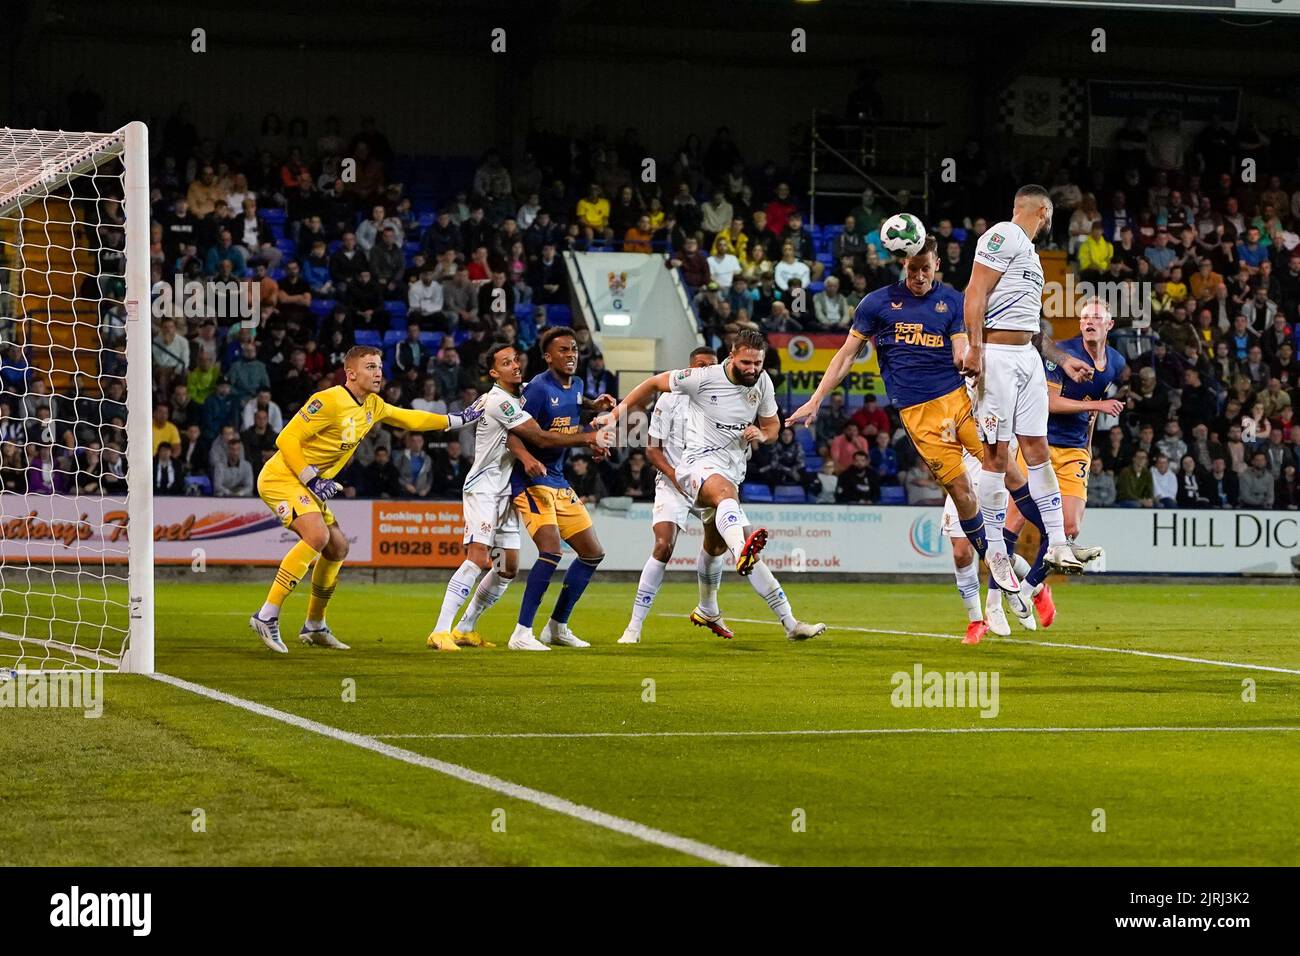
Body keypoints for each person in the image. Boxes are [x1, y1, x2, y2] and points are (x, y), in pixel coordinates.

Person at [786, 235, 1029, 617]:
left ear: (936, 267)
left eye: (926, 269)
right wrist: (815, 400)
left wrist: (973, 358)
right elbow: (847, 356)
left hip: (958, 401)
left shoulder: (950, 300)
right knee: (962, 492)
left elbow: (959, 346)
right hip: (918, 415)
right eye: (913, 269)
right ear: (903, 264)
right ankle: (995, 558)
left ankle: (1053, 538)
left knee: (1009, 469)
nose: (919, 276)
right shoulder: (877, 304)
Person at [247, 346, 483, 653]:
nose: (378, 373)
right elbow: (286, 439)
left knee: (337, 547)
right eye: (371, 367)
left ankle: (314, 625)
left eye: (380, 367)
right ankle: (267, 614)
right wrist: (312, 478)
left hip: (307, 485)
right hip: (283, 478)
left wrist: (455, 420)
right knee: (317, 535)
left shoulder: (373, 404)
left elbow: (410, 418)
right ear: (351, 373)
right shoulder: (328, 400)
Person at [601, 329, 826, 642]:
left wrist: (761, 435)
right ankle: (635, 626)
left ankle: (773, 619)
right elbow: (653, 384)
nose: (752, 368)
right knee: (683, 534)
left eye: (757, 363)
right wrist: (615, 414)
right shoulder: (698, 381)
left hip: (732, 470)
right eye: (746, 362)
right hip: (692, 468)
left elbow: (772, 425)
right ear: (731, 355)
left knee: (715, 544)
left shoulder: (761, 382)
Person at [425, 342, 607, 650]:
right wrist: (587, 436)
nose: (515, 364)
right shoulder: (500, 402)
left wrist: (590, 406)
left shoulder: (517, 396)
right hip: (484, 488)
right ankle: (440, 630)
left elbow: (557, 401)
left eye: (516, 359)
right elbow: (539, 436)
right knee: (478, 558)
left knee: (507, 567)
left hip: (507, 490)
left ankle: (465, 627)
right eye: (506, 362)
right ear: (494, 372)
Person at [960, 184, 1096, 580]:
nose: (1051, 223)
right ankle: (997, 552)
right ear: (1042, 211)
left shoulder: (1031, 257)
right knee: (997, 455)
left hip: (1027, 357)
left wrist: (1063, 359)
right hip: (998, 356)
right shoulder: (1002, 235)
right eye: (1051, 217)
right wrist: (975, 347)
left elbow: (1033, 328)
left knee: (1038, 447)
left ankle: (1056, 544)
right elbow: (975, 292)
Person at [481, 329, 617, 651]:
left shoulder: (579, 385)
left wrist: (591, 408)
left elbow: (571, 407)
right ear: (548, 357)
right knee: (551, 551)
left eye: (574, 350)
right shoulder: (538, 389)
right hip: (529, 482)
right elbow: (515, 433)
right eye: (563, 351)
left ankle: (557, 626)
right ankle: (521, 633)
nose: (571, 355)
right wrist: (527, 457)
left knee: (592, 553)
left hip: (557, 479)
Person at [1000, 300, 1124, 629]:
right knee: (1011, 526)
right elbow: (1051, 402)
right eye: (1084, 317)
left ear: (1109, 325)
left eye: (1096, 317)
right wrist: (1100, 403)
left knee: (1068, 530)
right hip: (1036, 444)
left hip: (1073, 452)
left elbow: (1094, 413)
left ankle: (1027, 592)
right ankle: (997, 603)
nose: (1089, 322)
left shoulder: (1116, 364)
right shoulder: (1062, 354)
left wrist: (1088, 447)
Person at [618, 348, 738, 644]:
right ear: (689, 367)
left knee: (716, 548)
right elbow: (652, 449)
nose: (705, 372)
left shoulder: (723, 401)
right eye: (700, 366)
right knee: (663, 545)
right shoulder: (669, 399)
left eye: (711, 367)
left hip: (708, 483)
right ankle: (633, 627)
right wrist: (675, 477)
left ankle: (709, 607)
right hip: (674, 483)